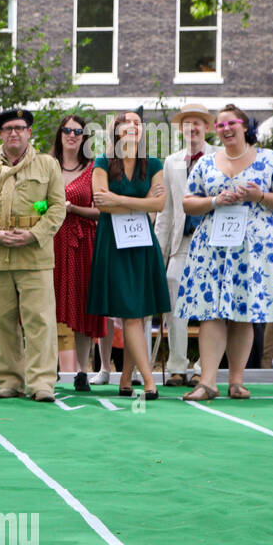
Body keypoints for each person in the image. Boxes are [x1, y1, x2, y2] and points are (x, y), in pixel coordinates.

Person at [177, 105, 273, 401]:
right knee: (211, 313)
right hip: (213, 246)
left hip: (253, 247)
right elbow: (188, 202)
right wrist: (215, 200)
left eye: (232, 123)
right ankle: (207, 382)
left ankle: (236, 381)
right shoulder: (206, 162)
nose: (226, 129)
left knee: (244, 312)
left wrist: (260, 196)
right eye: (220, 125)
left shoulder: (268, 159)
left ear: (245, 126)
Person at [0, 108, 66, 402]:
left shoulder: (48, 165)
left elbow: (57, 207)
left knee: (39, 320)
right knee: (0, 318)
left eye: (20, 128)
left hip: (34, 254)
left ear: (29, 132)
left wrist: (33, 234)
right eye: (9, 128)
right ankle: (10, 379)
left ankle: (41, 383)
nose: (15, 133)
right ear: (0, 133)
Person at [86, 111, 170, 400]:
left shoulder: (154, 163)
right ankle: (148, 383)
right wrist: (139, 203)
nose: (132, 126)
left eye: (137, 122)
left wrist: (119, 199)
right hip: (114, 243)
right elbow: (101, 202)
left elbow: (159, 204)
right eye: (126, 122)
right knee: (132, 314)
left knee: (141, 311)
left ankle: (125, 378)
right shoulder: (102, 161)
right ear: (116, 130)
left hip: (142, 242)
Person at [155, 104, 216, 387]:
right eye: (187, 123)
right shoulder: (171, 162)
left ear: (206, 128)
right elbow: (166, 211)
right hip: (182, 240)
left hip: (214, 242)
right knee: (172, 290)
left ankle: (205, 368)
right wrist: (160, 250)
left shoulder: (221, 157)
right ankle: (177, 365)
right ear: (180, 128)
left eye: (198, 124)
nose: (192, 128)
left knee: (211, 304)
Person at [50, 114, 105, 392]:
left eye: (78, 131)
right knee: (49, 306)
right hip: (51, 242)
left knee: (82, 307)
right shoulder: (47, 166)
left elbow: (101, 211)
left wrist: (73, 209)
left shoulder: (94, 169)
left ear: (84, 137)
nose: (72, 135)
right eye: (67, 130)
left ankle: (82, 370)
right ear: (60, 135)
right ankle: (50, 367)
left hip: (84, 242)